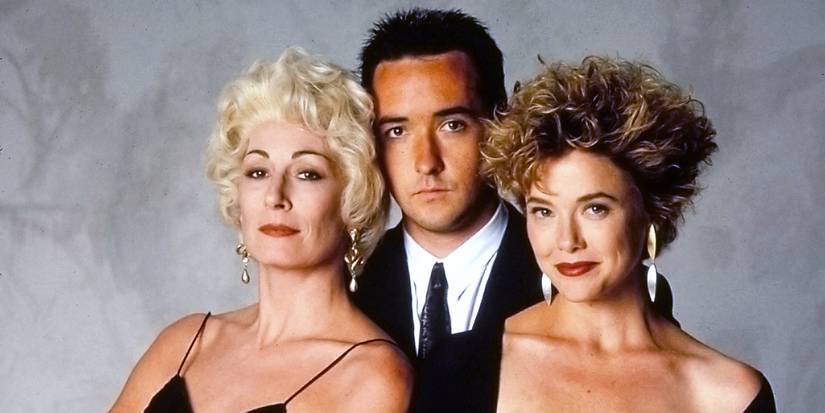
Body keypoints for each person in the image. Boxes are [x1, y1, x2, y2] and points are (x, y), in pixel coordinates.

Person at [110, 47, 412, 413]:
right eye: (258, 172)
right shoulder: (185, 343)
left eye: (307, 174)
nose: (275, 196)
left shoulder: (371, 374)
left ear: (353, 201)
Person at [483, 56, 775, 412]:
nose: (567, 241)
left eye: (595, 208)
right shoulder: (466, 362)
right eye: (544, 211)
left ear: (652, 212)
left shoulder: (730, 395)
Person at [353, 8, 544, 412]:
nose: (426, 162)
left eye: (452, 125)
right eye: (397, 131)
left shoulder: (576, 278)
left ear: (500, 124)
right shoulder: (345, 288)